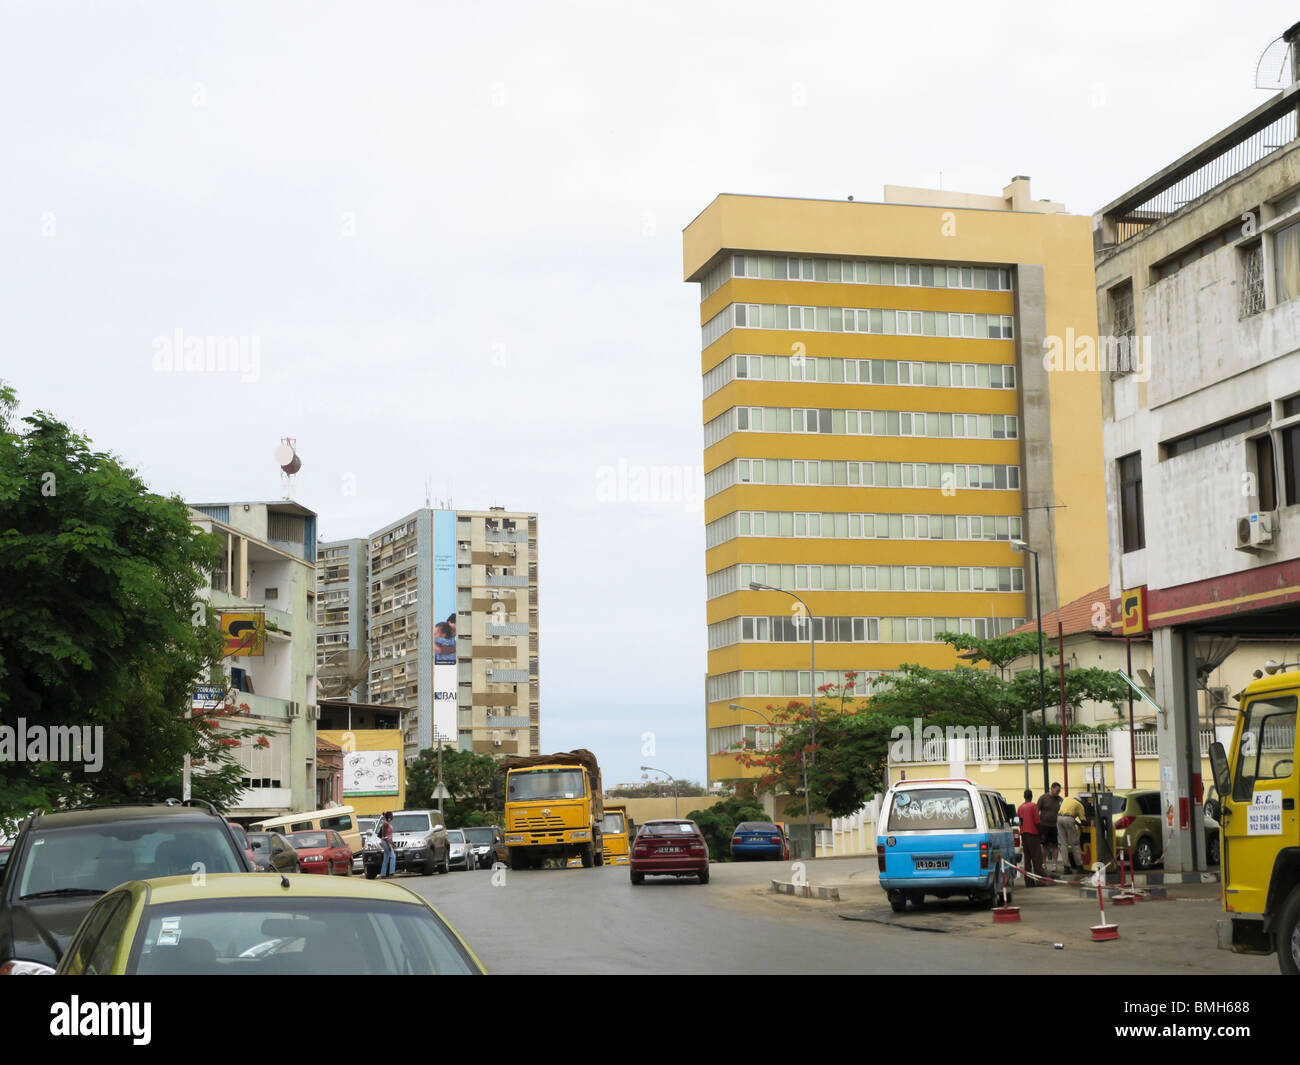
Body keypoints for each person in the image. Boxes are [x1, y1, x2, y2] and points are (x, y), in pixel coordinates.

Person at [1017, 788, 1044, 886]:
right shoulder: (1033, 806)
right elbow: (1037, 821)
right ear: (1031, 796)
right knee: (1037, 859)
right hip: (1033, 834)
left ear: (1024, 796)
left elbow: (1019, 822)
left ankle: (1028, 882)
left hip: (1024, 835)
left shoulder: (1020, 807)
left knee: (1027, 860)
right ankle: (1039, 881)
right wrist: (1041, 833)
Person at [1056, 791, 1088, 874]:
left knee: (1063, 844)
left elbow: (1067, 813)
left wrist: (1076, 822)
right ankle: (1080, 866)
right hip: (1069, 820)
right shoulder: (1080, 805)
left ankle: (1066, 867)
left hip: (1059, 818)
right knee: (1074, 844)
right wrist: (1083, 824)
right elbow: (1083, 821)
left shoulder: (1066, 799)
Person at [1037, 782, 1063, 868]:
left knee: (1055, 845)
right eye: (1057, 790)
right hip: (1044, 825)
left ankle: (1054, 864)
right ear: (1052, 788)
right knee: (1045, 845)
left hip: (1055, 826)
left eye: (1059, 791)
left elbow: (1062, 811)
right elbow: (1037, 811)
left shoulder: (1060, 800)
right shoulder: (1043, 798)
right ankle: (1043, 863)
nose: (1058, 792)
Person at [378, 811, 396, 879]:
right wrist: (388, 845)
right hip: (385, 842)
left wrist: (392, 843)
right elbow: (384, 836)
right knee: (393, 856)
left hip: (388, 842)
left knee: (386, 857)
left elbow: (389, 835)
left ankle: (383, 874)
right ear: (389, 817)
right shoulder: (385, 824)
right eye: (392, 815)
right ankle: (391, 873)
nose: (393, 816)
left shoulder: (388, 823)